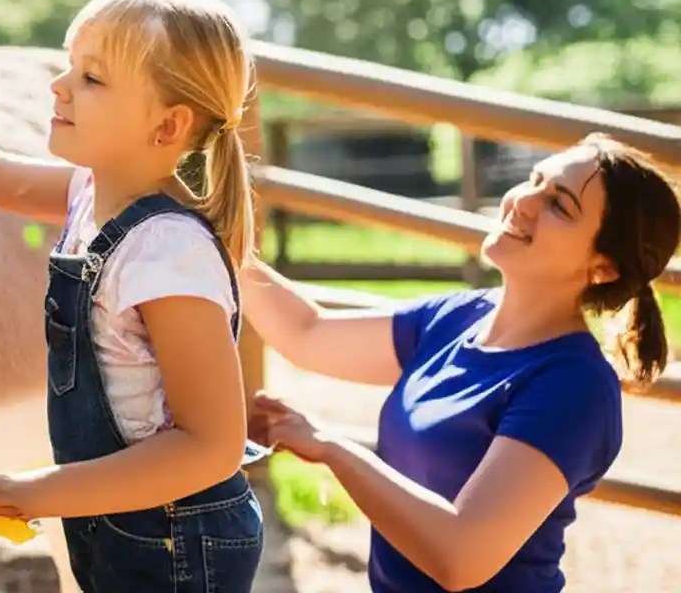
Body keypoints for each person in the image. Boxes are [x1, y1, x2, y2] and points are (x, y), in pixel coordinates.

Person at [0, 0, 264, 591]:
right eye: (70, 66)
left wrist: (38, 490)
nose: (58, 86)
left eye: (92, 79)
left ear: (168, 126)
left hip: (177, 546)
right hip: (115, 519)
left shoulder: (168, 255)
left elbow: (211, 445)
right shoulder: (87, 194)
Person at [242, 133, 680, 591]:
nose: (523, 201)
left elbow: (461, 556)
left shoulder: (573, 385)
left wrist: (332, 447)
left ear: (604, 267)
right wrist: (214, 240)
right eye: (535, 180)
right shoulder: (459, 318)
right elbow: (307, 333)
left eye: (559, 205)